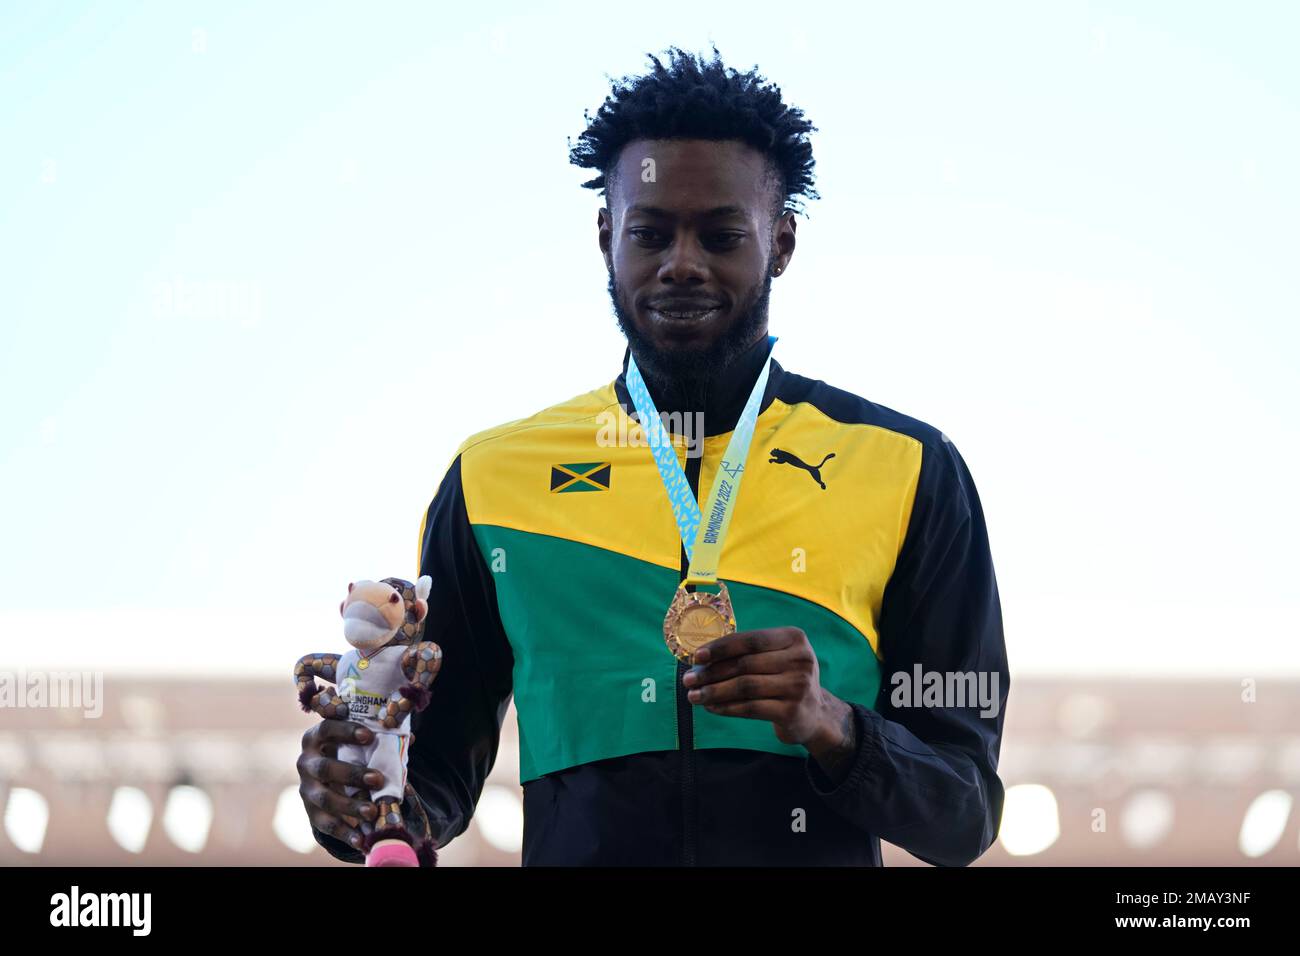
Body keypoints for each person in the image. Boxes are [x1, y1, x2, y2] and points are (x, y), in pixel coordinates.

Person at [298, 45, 1009, 866]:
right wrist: (362, 800)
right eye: (651, 232)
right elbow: (433, 783)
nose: (682, 263)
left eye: (721, 235)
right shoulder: (494, 480)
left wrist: (832, 724)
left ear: (780, 244)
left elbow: (964, 811)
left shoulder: (908, 469)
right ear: (607, 237)